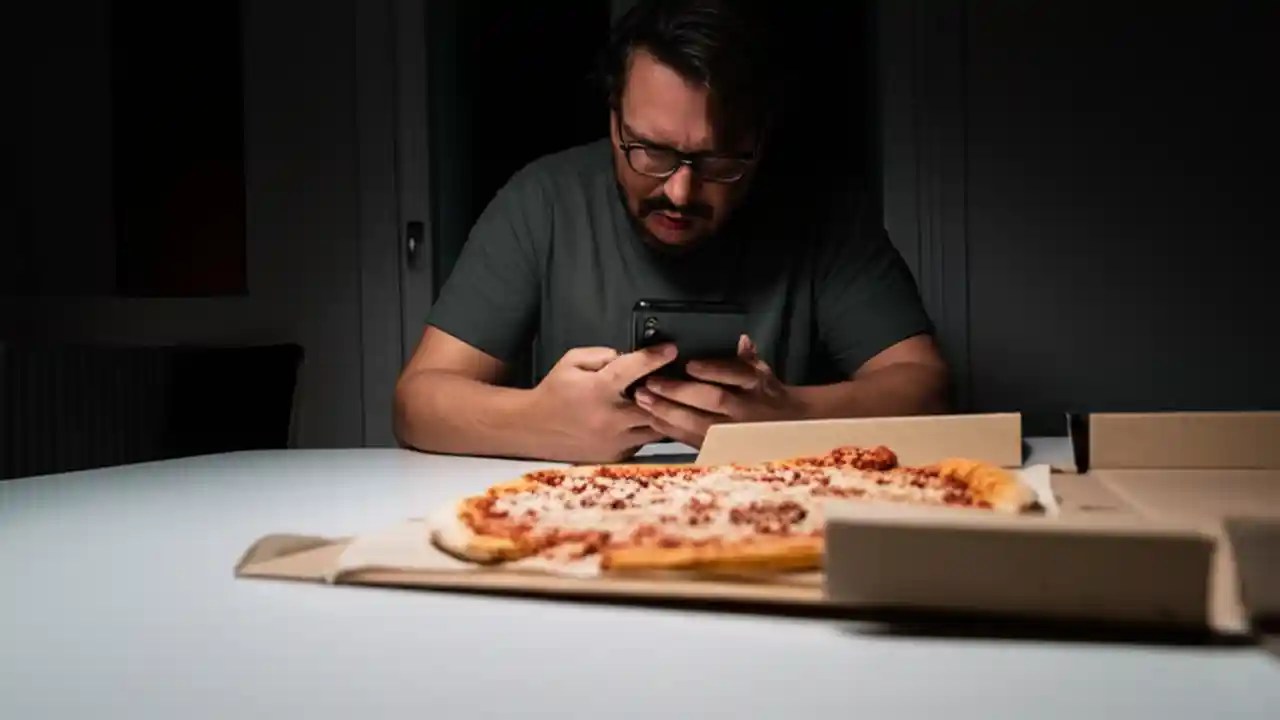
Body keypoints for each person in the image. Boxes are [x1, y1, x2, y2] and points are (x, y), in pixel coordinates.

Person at [394, 0, 949, 463]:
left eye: (718, 161)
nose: (680, 193)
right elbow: (416, 402)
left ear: (761, 140)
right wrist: (537, 421)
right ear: (613, 121)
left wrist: (790, 415)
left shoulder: (824, 210)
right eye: (651, 152)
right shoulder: (543, 199)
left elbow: (926, 386)